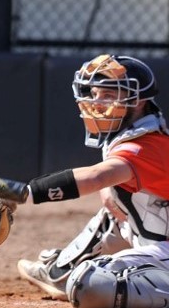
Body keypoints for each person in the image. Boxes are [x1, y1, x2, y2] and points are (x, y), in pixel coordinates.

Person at [10, 54, 169, 307]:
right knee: (115, 209)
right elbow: (109, 189)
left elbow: (96, 177)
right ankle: (61, 274)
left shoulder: (147, 145)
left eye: (108, 95)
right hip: (158, 244)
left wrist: (25, 192)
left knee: (90, 283)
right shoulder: (130, 136)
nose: (96, 103)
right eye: (94, 94)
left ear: (137, 101)